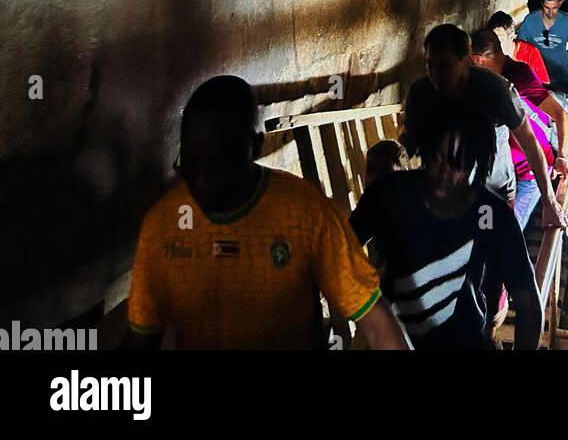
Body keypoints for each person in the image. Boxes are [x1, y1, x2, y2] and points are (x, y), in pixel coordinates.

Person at [122, 76, 410, 350]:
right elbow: (141, 338)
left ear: (256, 147)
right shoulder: (162, 225)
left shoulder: (306, 214)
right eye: (192, 164)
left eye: (221, 164)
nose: (203, 181)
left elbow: (376, 324)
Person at [351, 101, 542, 350]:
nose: (444, 174)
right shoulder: (389, 194)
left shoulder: (491, 214)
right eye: (437, 158)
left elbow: (527, 301)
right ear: (425, 151)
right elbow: (341, 251)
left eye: (459, 164)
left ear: (478, 164)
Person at [403, 25, 568, 230]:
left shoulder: (495, 90)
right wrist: (393, 160)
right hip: (444, 194)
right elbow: (409, 140)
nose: (436, 74)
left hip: (491, 193)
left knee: (486, 244)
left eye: (445, 66)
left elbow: (530, 143)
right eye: (431, 65)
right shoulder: (421, 92)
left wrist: (549, 201)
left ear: (466, 61)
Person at [470, 28, 568, 227]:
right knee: (492, 230)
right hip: (503, 174)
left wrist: (563, 156)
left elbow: (561, 114)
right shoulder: (486, 84)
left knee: (509, 232)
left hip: (529, 172)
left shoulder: (518, 76)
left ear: (477, 60)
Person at [517, 0, 568, 123]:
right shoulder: (530, 20)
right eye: (547, 8)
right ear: (542, 4)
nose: (551, 12)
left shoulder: (567, 22)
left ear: (560, 4)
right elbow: (519, 47)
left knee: (562, 117)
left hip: (561, 79)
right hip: (537, 80)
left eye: (555, 8)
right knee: (539, 119)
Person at [487, 9, 549, 87]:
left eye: (500, 39)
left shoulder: (530, 52)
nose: (495, 45)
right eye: (492, 39)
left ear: (511, 36)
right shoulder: (489, 55)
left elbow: (544, 84)